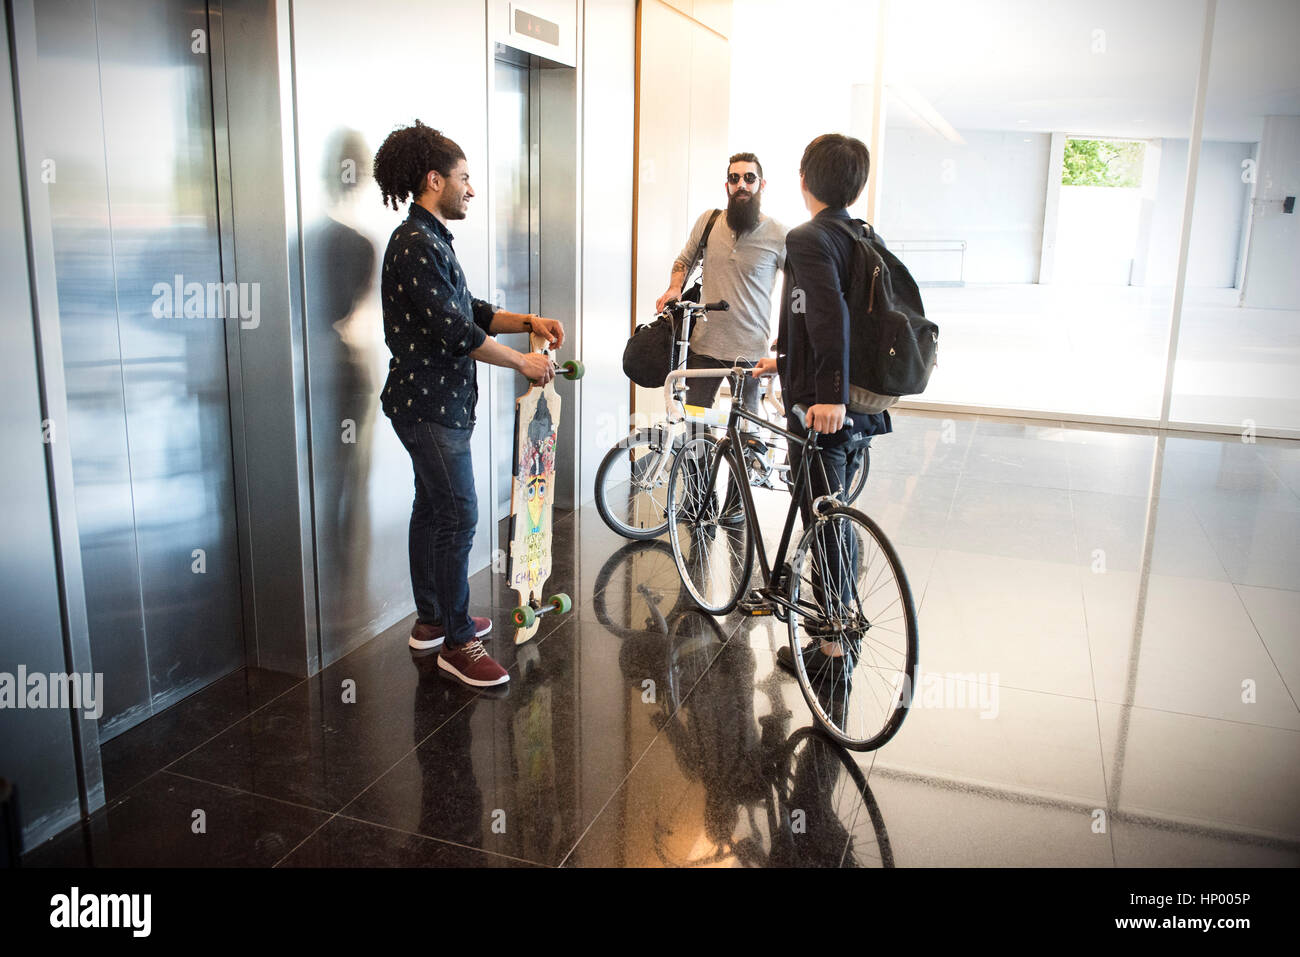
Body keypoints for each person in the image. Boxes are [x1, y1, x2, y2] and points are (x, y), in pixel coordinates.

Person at [372, 120, 564, 689]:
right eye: (464, 178)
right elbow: (457, 332)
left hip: (436, 406)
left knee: (433, 510)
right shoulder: (414, 243)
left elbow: (471, 310)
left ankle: (433, 620)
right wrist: (522, 361)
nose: (471, 189)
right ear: (435, 180)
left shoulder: (428, 239)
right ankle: (458, 641)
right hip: (428, 408)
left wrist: (526, 321)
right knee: (459, 514)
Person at [750, 133, 890, 677]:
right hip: (861, 404)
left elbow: (829, 317)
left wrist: (826, 394)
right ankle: (837, 628)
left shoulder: (809, 237)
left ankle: (832, 648)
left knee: (825, 519)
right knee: (836, 518)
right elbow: (823, 316)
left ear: (804, 180)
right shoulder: (860, 233)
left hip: (826, 409)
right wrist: (783, 361)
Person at [655, 152, 787, 413]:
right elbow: (684, 260)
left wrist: (790, 332)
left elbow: (798, 285)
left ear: (762, 184)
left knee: (747, 434)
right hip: (705, 347)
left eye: (749, 178)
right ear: (726, 185)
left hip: (750, 352)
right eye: (734, 178)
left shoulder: (779, 234)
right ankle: (701, 456)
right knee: (696, 428)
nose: (741, 185)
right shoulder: (709, 221)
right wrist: (674, 288)